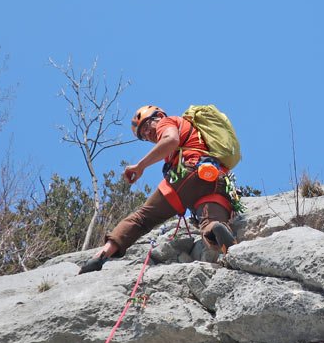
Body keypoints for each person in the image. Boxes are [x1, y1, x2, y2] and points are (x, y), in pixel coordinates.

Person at [79, 105, 239, 274]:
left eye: (147, 127)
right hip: (217, 181)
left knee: (142, 218)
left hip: (189, 175)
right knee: (210, 225)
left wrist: (140, 166)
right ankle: (217, 231)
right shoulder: (197, 134)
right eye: (143, 136)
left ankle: (101, 255)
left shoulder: (168, 122)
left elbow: (170, 140)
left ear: (159, 116)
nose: (147, 134)